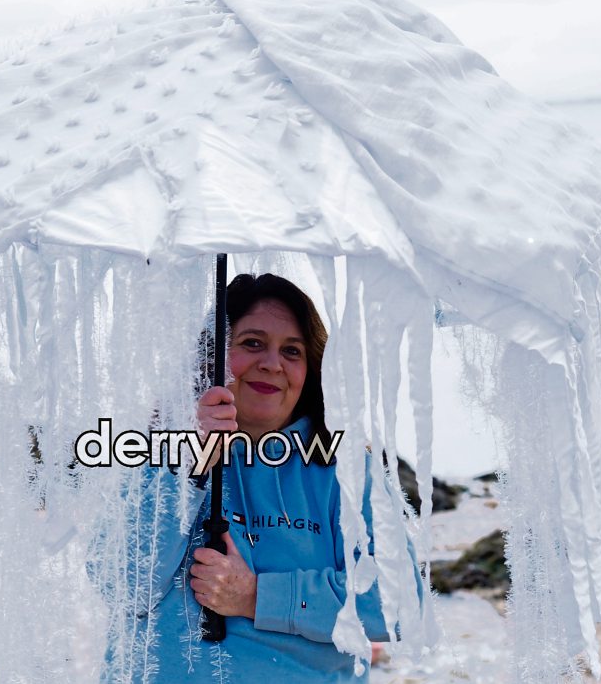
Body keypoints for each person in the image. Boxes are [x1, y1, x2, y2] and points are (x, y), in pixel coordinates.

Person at [93, 273, 421, 683]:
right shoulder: (163, 453)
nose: (272, 363)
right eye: (252, 343)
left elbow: (399, 604)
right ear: (214, 354)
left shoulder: (346, 471)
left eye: (292, 351)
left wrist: (255, 596)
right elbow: (118, 582)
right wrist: (189, 469)